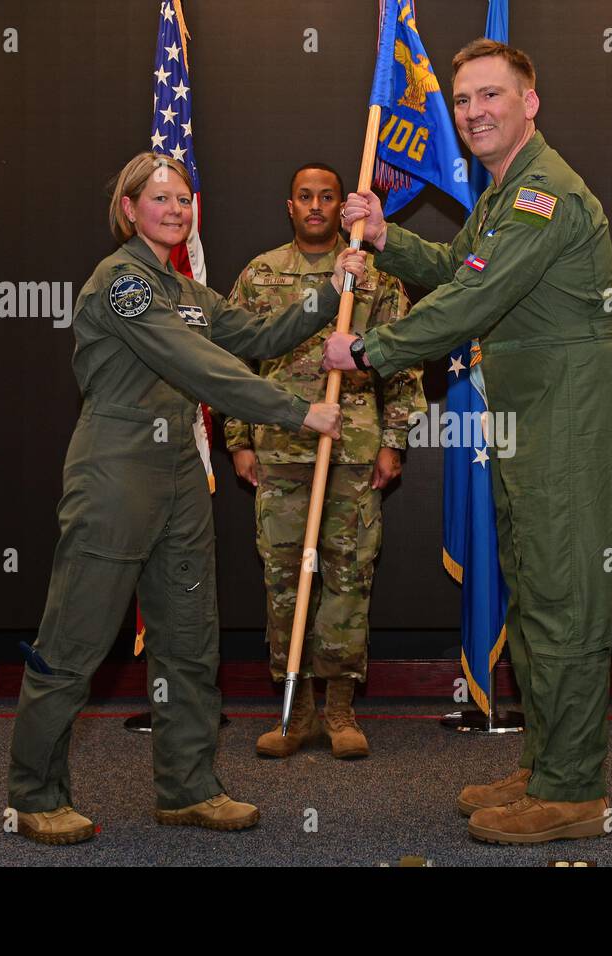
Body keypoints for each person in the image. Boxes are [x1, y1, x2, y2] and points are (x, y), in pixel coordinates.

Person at [5, 151, 365, 844]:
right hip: (115, 474)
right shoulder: (125, 285)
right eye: (160, 199)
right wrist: (297, 412)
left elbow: (253, 336)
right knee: (75, 642)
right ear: (130, 208)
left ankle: (189, 787)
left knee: (190, 642)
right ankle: (34, 793)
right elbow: (198, 364)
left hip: (178, 477)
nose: (174, 210)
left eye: (183, 200)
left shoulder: (185, 291)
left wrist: (327, 292)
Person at [328, 40, 612, 845]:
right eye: (463, 101)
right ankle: (546, 763)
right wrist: (388, 239)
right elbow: (465, 269)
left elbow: (476, 299)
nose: (473, 113)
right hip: (532, 418)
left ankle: (572, 791)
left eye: (491, 96)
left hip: (569, 418)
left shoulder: (546, 193)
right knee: (536, 598)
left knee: (565, 602)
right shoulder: (503, 194)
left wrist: (368, 350)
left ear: (530, 102)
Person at [223, 162, 424, 759]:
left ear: (343, 206)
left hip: (352, 450)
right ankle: (296, 712)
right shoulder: (260, 274)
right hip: (281, 451)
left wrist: (393, 440)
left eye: (327, 197)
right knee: (285, 581)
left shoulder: (374, 274)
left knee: (347, 577)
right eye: (304, 197)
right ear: (289, 206)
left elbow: (405, 362)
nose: (316, 205)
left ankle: (339, 711)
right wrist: (238, 439)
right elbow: (231, 361)